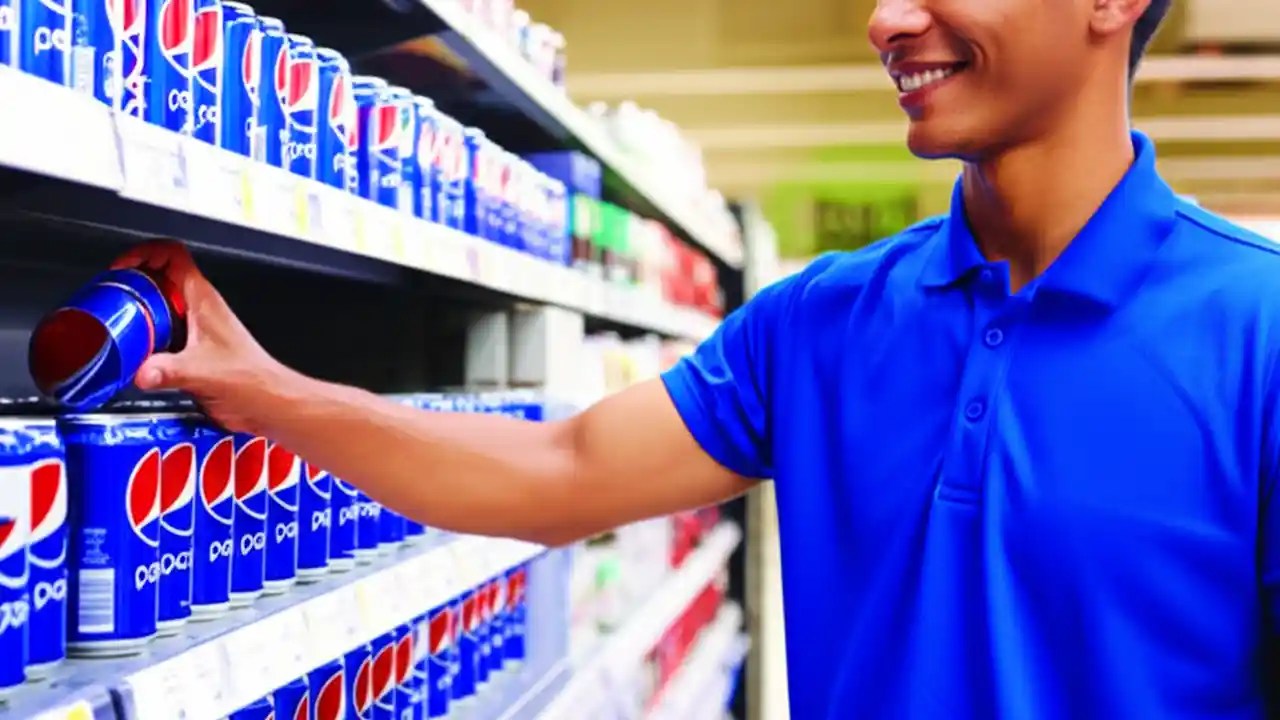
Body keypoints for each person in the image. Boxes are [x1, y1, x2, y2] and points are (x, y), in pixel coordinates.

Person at [112, 0, 1280, 717]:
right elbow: (559, 473)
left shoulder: (1255, 331)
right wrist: (269, 393)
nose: (883, 18)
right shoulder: (821, 319)